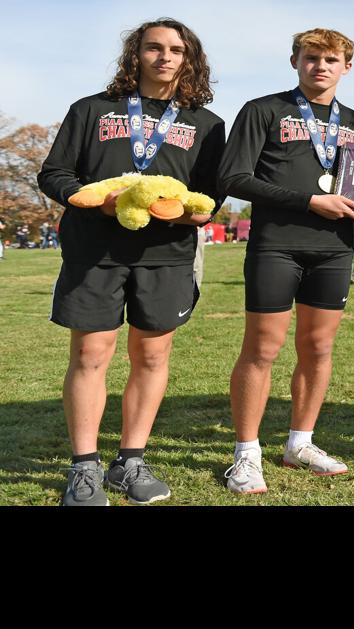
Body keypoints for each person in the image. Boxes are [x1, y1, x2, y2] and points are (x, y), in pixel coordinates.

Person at [37, 17, 226, 505]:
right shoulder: (93, 109)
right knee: (90, 355)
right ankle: (84, 469)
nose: (165, 57)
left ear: (189, 59)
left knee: (153, 356)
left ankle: (130, 461)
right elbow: (54, 172)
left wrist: (188, 212)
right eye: (153, 48)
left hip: (165, 256)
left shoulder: (205, 123)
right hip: (95, 252)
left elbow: (211, 198)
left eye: (176, 50)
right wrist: (90, 200)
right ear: (135, 55)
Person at [219, 27, 354, 494]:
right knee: (263, 348)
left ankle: (299, 443)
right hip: (276, 244)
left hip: (333, 249)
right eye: (311, 57)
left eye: (331, 59)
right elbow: (234, 177)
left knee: (319, 348)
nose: (320, 66)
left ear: (347, 66)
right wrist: (308, 200)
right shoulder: (263, 110)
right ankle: (246, 453)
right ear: (295, 62)